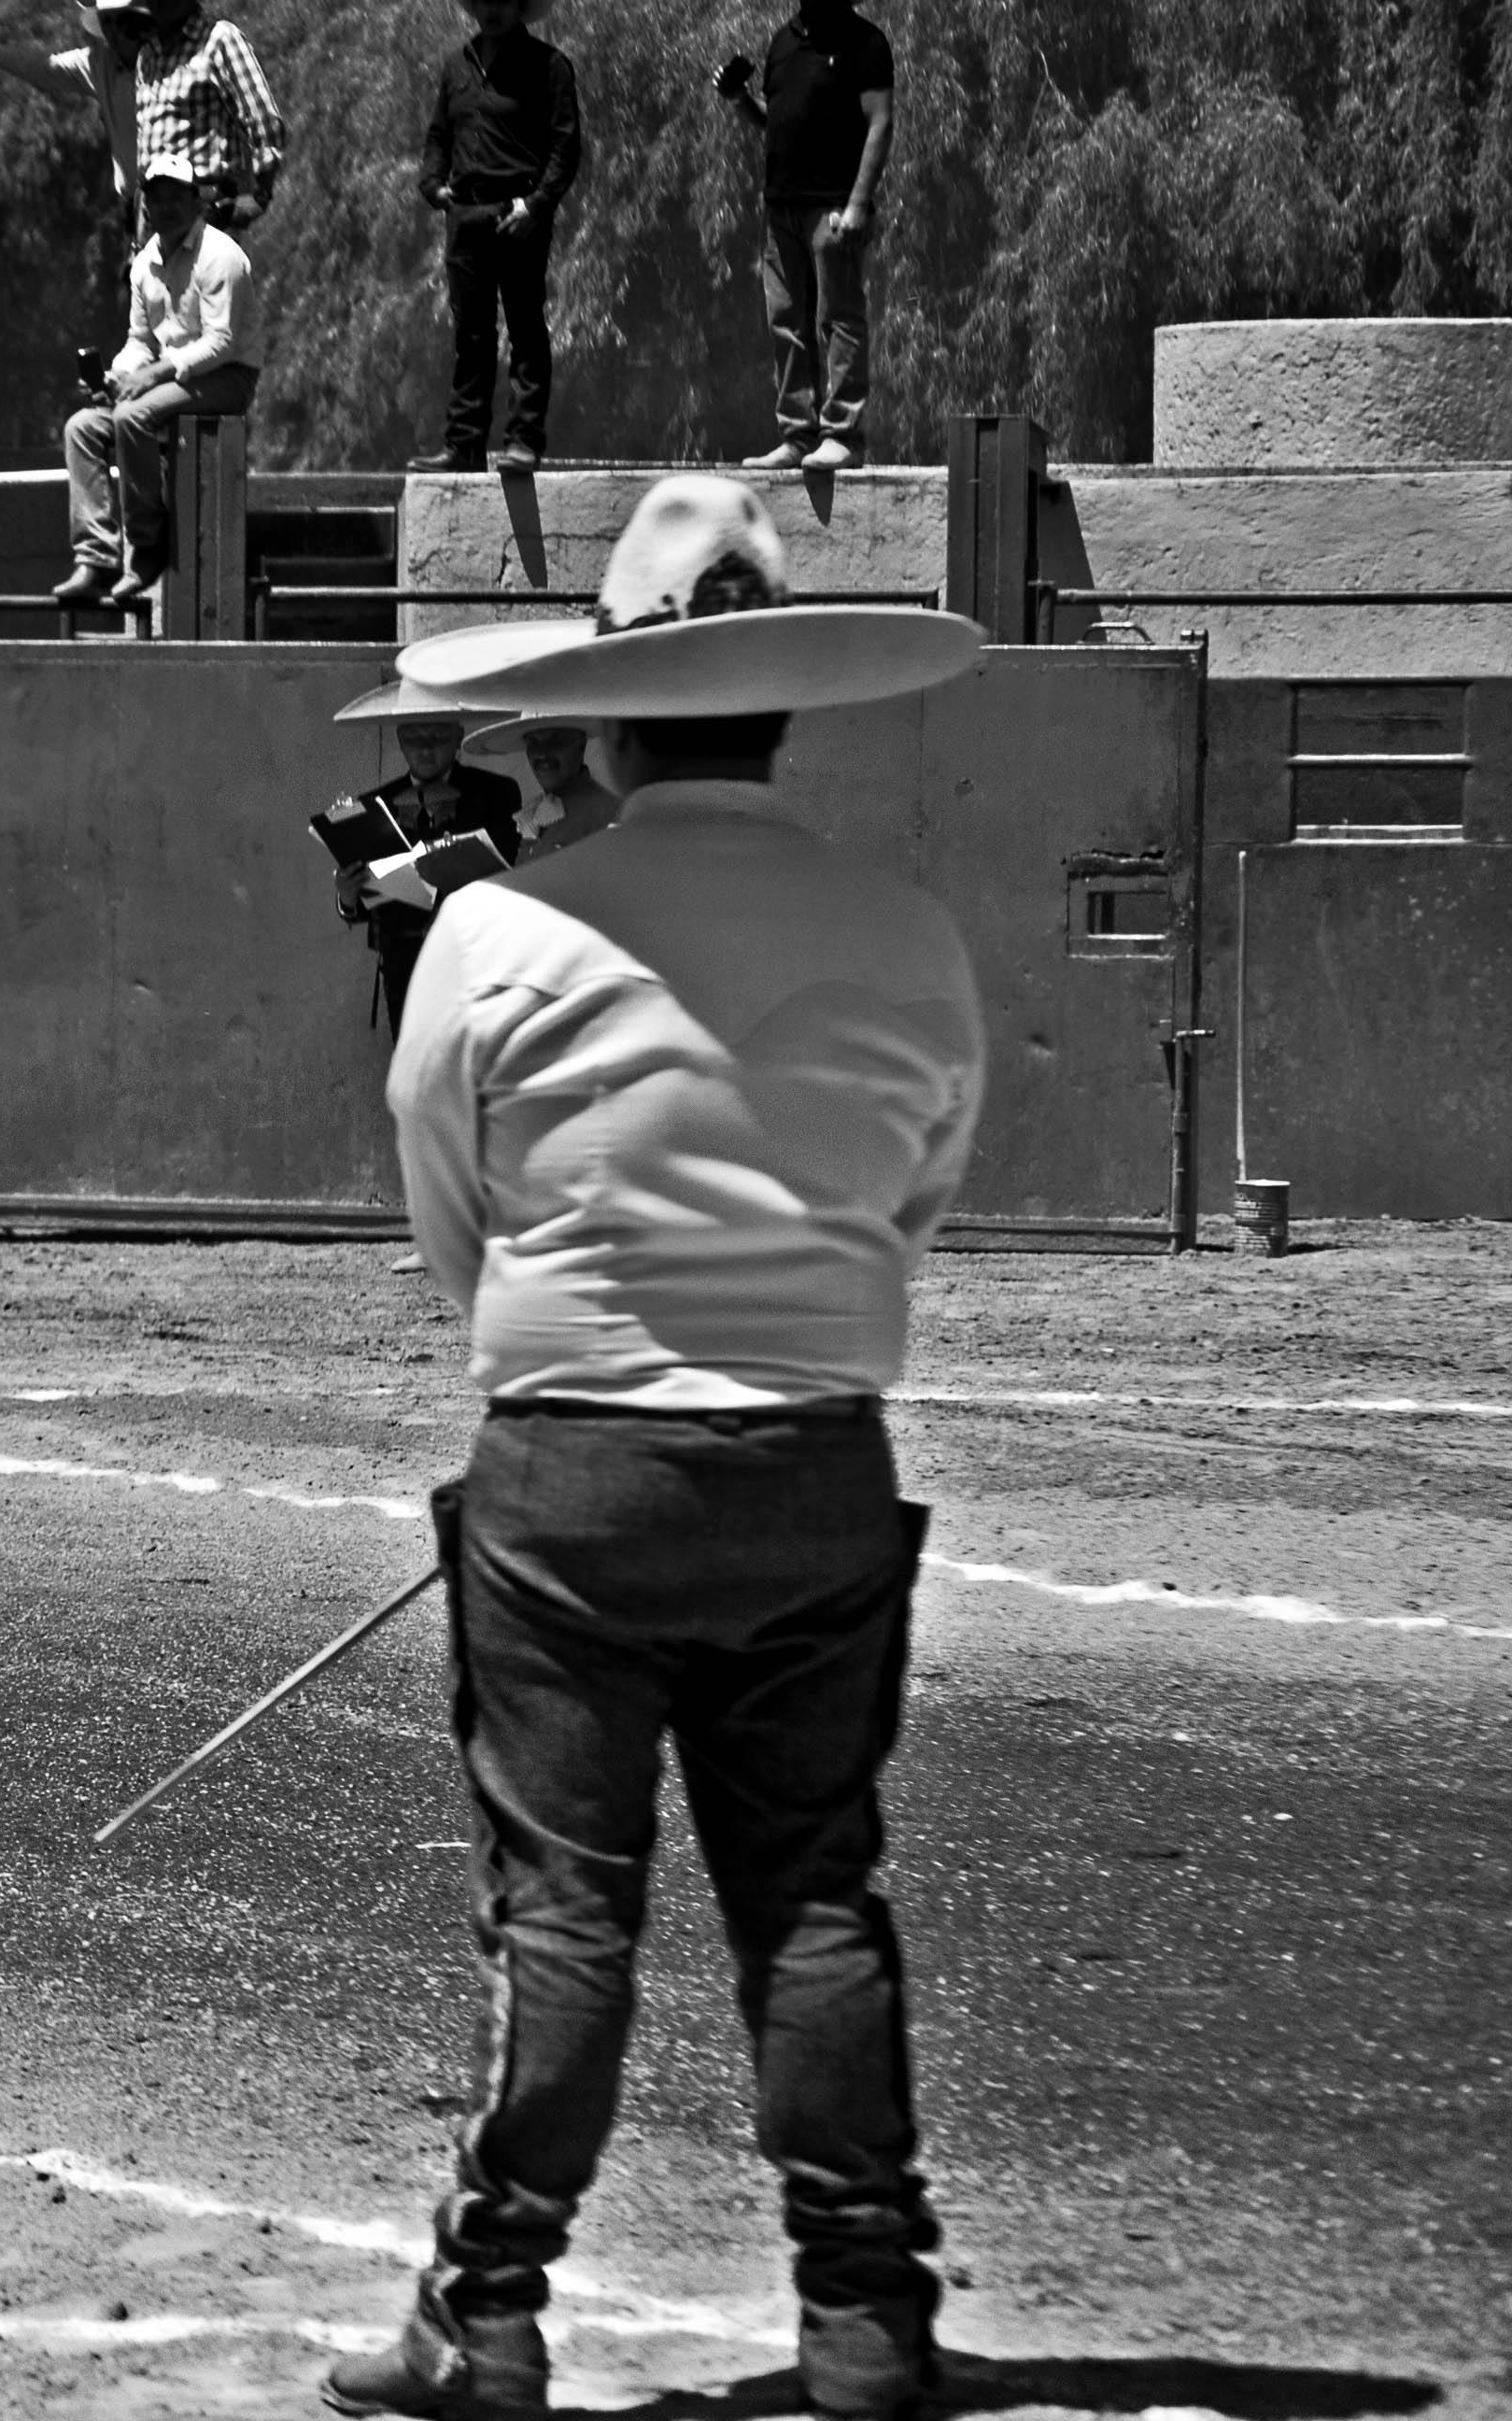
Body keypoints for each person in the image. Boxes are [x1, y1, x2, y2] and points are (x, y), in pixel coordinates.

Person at [318, 474, 987, 2421]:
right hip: (814, 1463)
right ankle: (866, 2320)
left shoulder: (502, 929)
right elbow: (910, 1201)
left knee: (563, 1907)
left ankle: (490, 2313)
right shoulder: (907, 930)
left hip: (577, 1472)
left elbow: (454, 1216)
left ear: (603, 719)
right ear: (780, 709)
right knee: (816, 1899)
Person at [56, 162, 261, 606]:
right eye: (154, 198)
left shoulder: (220, 256)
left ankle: (147, 547)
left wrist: (151, 376)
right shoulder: (145, 262)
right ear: (143, 204)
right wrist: (119, 375)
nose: (163, 207)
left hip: (227, 378)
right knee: (82, 428)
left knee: (134, 415)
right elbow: (140, 340)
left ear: (195, 200)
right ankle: (96, 556)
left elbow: (221, 344)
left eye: (174, 197)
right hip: (169, 375)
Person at [721, 0, 893, 470]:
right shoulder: (783, 42)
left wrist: (859, 203)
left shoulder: (865, 42)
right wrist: (740, 99)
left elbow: (880, 122)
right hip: (782, 206)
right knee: (787, 320)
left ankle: (842, 434)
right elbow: (775, 121)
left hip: (834, 205)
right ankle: (797, 435)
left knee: (838, 317)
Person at [414, 0, 580, 475]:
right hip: (465, 215)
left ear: (520, 7)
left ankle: (524, 441)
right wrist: (433, 184)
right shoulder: (456, 65)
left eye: (502, 1)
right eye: (484, 0)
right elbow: (438, 136)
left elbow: (565, 145)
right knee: (472, 335)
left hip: (519, 212)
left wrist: (537, 204)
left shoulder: (549, 66)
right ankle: (463, 445)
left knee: (525, 328)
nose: (492, 9)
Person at [318, 672, 524, 1025]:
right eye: (414, 738)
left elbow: (505, 868)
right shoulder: (374, 804)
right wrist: (347, 895)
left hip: (473, 957)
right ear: (400, 740)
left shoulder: (496, 793)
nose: (426, 748)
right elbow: (362, 904)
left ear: (458, 736)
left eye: (438, 736)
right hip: (402, 961)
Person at [0, 0, 148, 226]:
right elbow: (45, 67)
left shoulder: (167, 64)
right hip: (139, 208)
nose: (116, 31)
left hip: (179, 194)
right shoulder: (100, 64)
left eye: (122, 22)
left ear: (141, 22)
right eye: (108, 22)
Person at [125, 0, 282, 233]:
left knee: (208, 268)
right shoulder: (147, 57)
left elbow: (263, 118)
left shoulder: (219, 39)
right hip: (155, 215)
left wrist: (260, 193)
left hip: (207, 209)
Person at [465, 713, 622, 855]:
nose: (542, 754)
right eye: (533, 742)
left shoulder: (608, 814)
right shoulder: (533, 814)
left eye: (555, 741)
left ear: (580, 746)